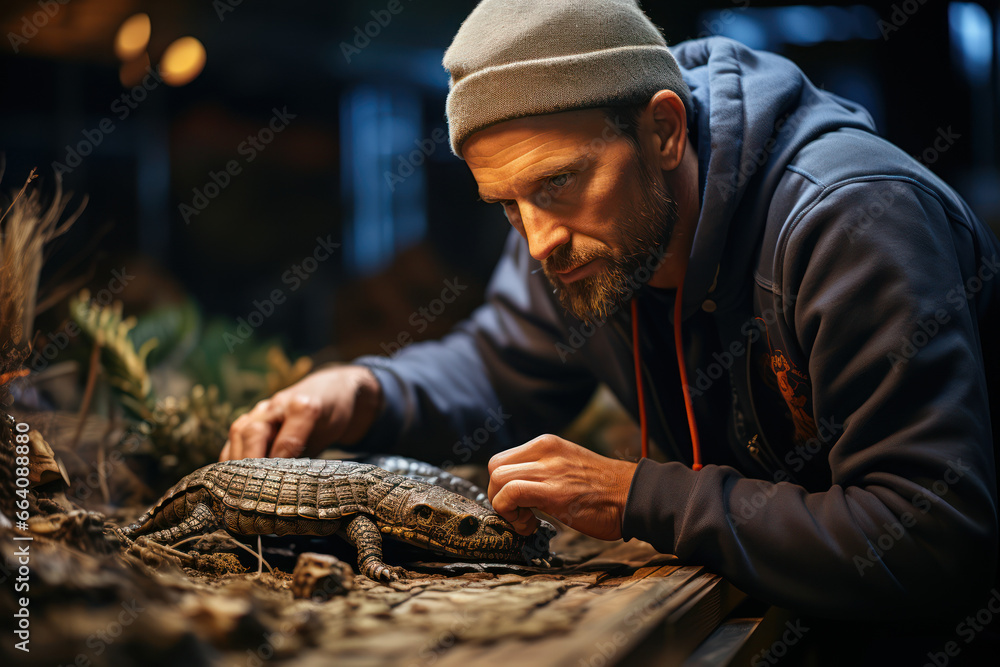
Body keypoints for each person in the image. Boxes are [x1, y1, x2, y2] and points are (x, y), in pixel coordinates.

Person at [222, 0, 1000, 628]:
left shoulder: (852, 225)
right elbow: (497, 367)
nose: (537, 242)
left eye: (558, 184)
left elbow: (930, 538)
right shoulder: (580, 240)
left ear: (663, 130)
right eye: (507, 205)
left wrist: (638, 495)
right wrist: (369, 389)